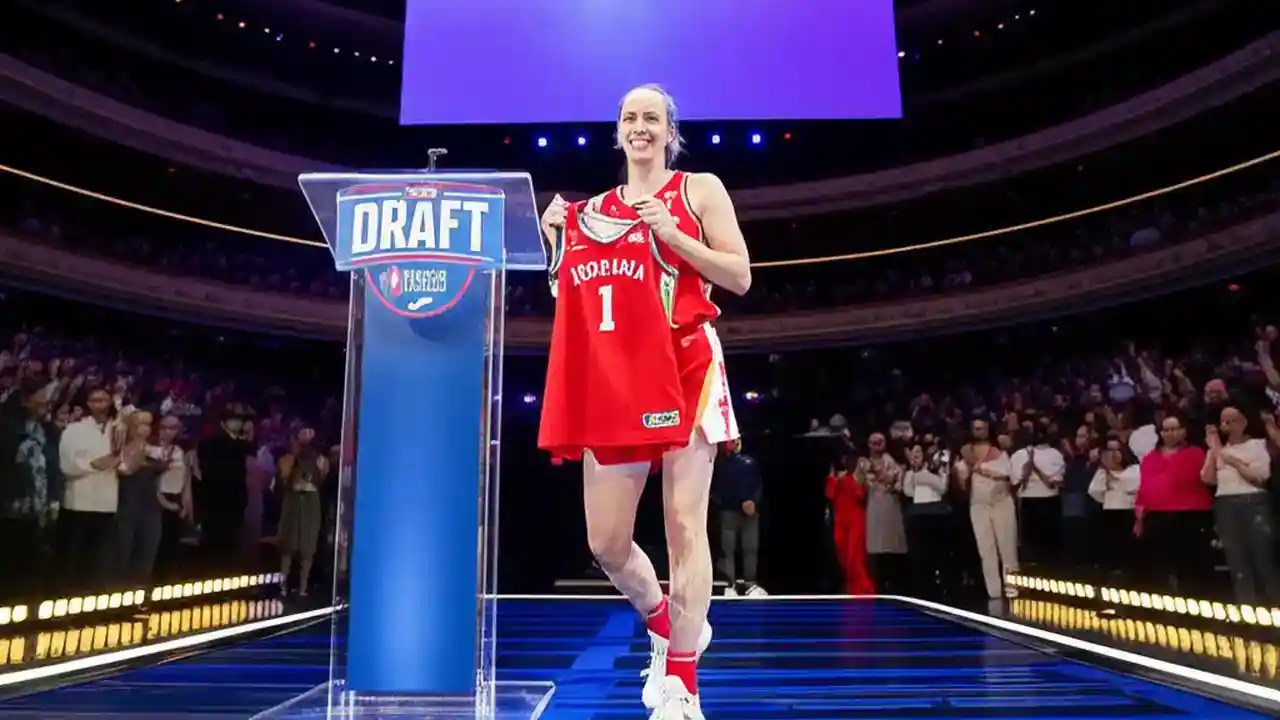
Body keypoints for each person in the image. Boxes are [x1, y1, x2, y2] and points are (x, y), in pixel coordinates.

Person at [539, 84, 750, 719]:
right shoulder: (593, 211)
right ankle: (664, 621)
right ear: (617, 132)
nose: (640, 126)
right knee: (606, 541)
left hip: (687, 365)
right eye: (630, 117)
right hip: (619, 377)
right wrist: (554, 244)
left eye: (651, 118)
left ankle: (682, 685)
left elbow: (739, 276)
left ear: (670, 132)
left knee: (684, 525)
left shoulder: (698, 190)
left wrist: (673, 235)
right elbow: (573, 301)